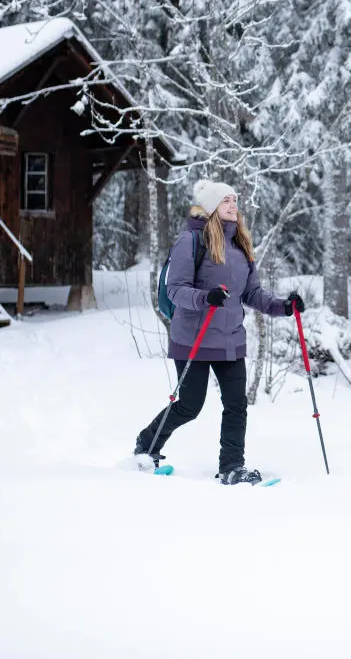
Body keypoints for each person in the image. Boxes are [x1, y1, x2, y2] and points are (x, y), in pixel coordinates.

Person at [134, 180, 305, 485]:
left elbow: (252, 294)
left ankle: (231, 467)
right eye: (225, 200)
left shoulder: (240, 246)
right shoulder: (191, 240)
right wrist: (205, 297)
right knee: (189, 406)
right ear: (212, 206)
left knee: (237, 405)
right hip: (193, 339)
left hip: (230, 340)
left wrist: (284, 307)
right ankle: (146, 445)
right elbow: (175, 290)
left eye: (235, 200)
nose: (232, 205)